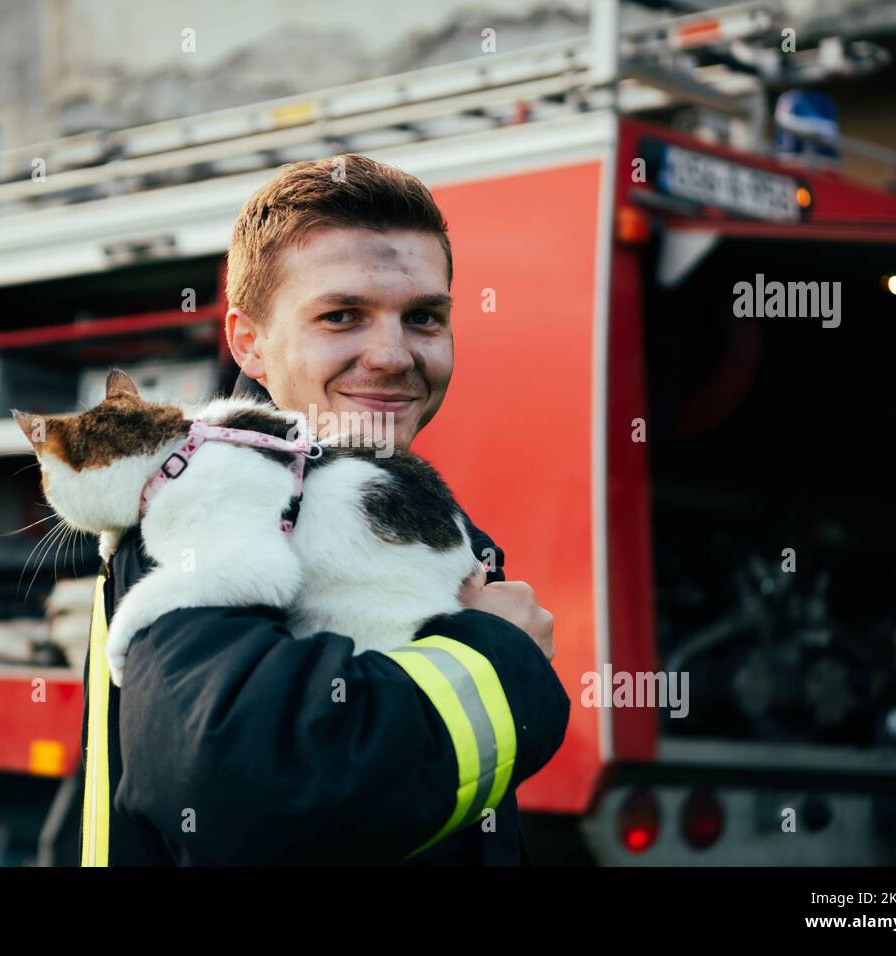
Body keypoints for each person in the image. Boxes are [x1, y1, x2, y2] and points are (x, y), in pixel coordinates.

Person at [79, 153, 570, 865]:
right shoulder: (201, 507)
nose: (394, 355)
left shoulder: (429, 527)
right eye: (342, 316)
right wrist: (497, 660)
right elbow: (248, 792)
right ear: (249, 343)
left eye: (424, 317)